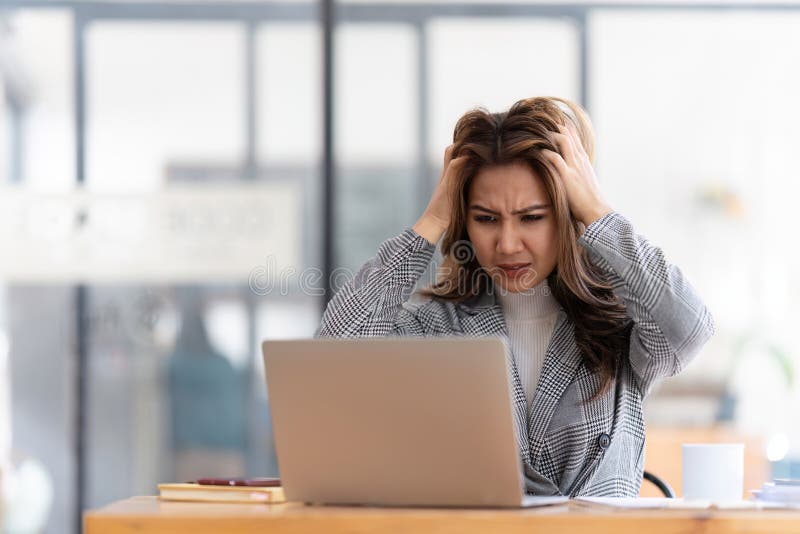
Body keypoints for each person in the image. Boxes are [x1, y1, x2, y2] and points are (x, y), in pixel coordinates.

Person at [317, 96, 715, 497]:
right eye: (486, 218)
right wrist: (433, 220)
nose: (507, 244)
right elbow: (331, 362)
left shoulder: (619, 324)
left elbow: (689, 329)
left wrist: (598, 213)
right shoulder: (436, 325)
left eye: (531, 217)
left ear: (567, 214)